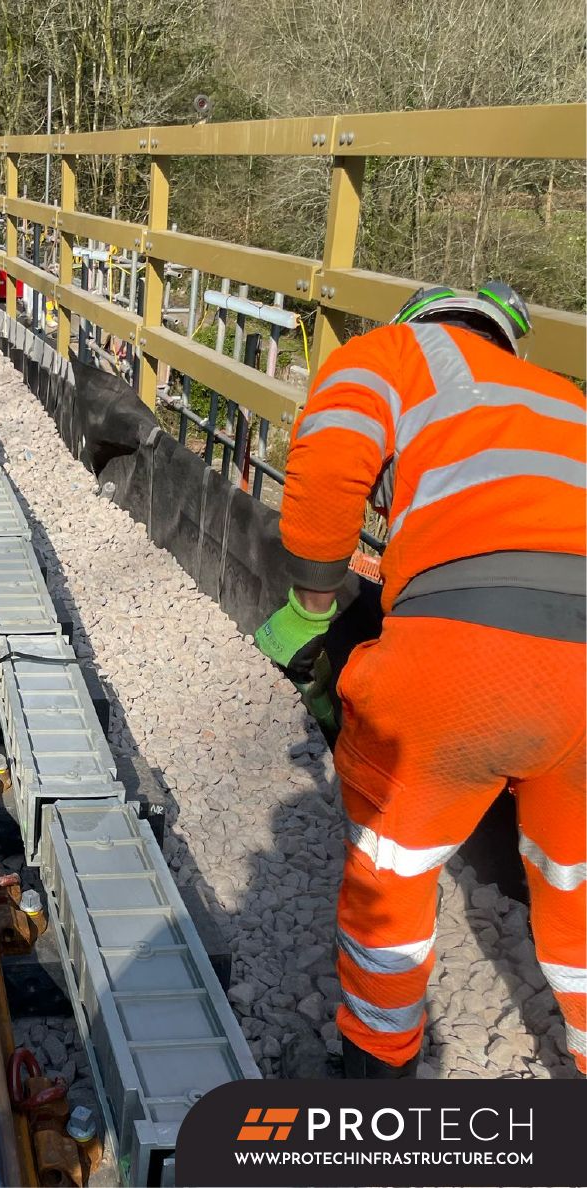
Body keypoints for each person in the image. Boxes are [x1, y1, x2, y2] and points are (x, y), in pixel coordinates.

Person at [256, 281, 586, 1078]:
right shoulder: (565, 398)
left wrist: (312, 600)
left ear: (418, 318)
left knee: (394, 864)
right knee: (576, 876)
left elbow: (331, 457)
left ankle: (377, 1067)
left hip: (464, 648)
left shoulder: (395, 354)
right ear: (509, 341)